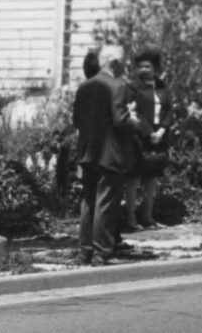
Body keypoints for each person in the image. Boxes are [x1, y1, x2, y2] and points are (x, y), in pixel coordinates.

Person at [72, 48, 144, 265]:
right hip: (110, 152)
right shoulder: (118, 86)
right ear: (114, 63)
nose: (124, 67)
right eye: (122, 64)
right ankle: (103, 251)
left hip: (88, 152)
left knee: (89, 201)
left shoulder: (84, 86)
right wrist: (136, 122)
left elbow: (76, 120)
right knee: (106, 202)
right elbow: (121, 120)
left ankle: (85, 251)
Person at [125, 49, 173, 230]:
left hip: (159, 138)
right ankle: (131, 219)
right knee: (133, 179)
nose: (144, 69)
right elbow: (134, 111)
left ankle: (148, 217)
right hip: (139, 139)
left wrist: (161, 131)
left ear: (155, 68)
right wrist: (148, 132)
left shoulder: (162, 86)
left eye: (148, 66)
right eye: (141, 66)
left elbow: (169, 111)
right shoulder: (133, 87)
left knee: (151, 180)